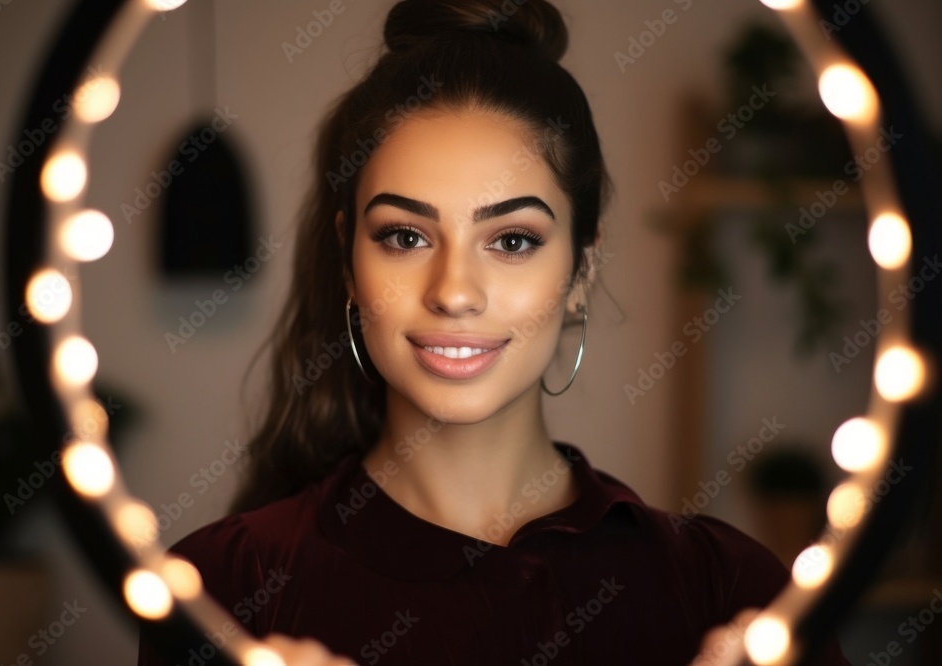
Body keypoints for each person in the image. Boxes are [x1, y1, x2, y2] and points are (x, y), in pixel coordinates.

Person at [138, 1, 851, 664]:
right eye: (404, 236)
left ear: (580, 269)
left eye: (511, 241)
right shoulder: (221, 590)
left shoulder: (732, 592)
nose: (453, 292)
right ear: (348, 262)